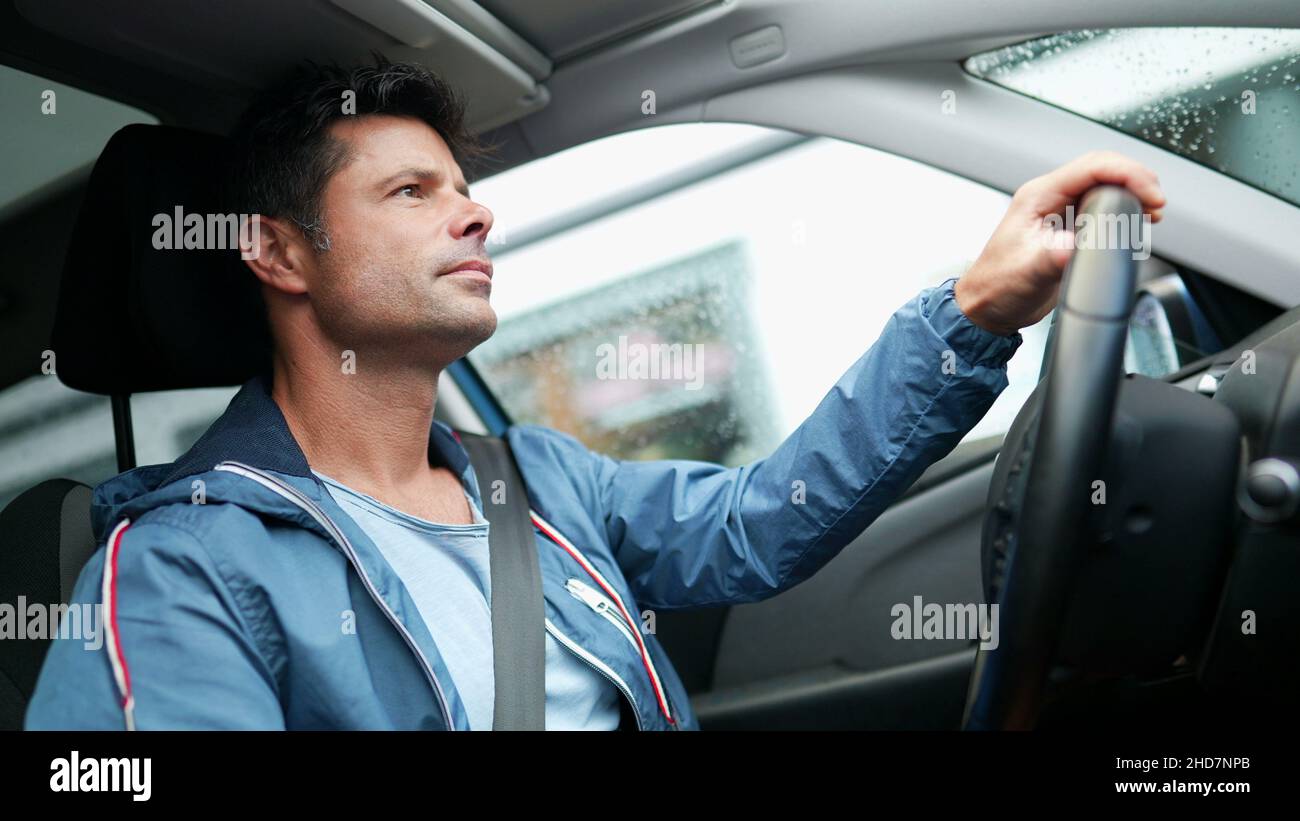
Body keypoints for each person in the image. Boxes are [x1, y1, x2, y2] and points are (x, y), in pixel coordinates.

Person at [25, 57, 1165, 731]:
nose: (476, 213)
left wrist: (972, 312)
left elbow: (760, 522)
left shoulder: (537, 482)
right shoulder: (180, 569)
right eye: (414, 191)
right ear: (277, 252)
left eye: (465, 188)